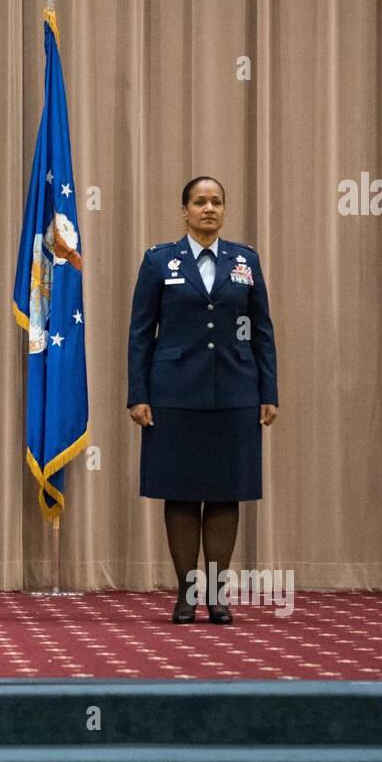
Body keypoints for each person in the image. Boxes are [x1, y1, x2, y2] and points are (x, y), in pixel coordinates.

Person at [127, 176, 278, 624]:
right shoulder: (158, 261)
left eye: (216, 202)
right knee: (181, 493)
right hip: (173, 393)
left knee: (224, 493)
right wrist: (138, 394)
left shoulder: (244, 260)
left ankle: (216, 594)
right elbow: (140, 333)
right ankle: (186, 593)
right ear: (184, 211)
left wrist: (268, 391)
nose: (208, 208)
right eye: (199, 201)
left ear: (224, 210)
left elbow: (263, 330)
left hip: (235, 391)